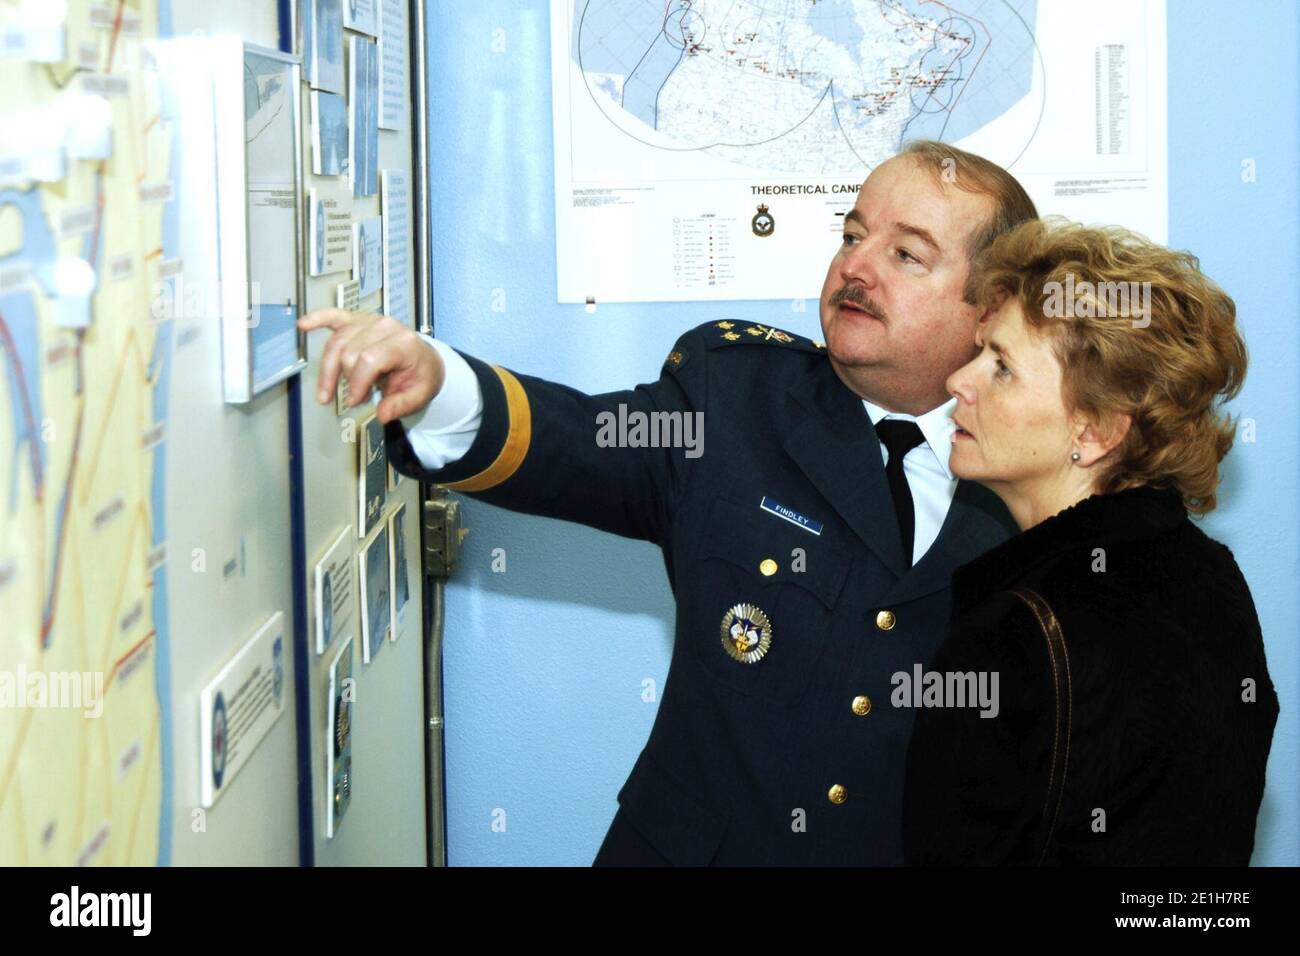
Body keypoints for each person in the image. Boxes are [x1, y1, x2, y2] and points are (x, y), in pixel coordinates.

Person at [300, 140, 1037, 865]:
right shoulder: (737, 401)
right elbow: (581, 441)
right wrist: (441, 382)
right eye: (851, 235)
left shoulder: (1037, 469)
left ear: (990, 308)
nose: (856, 266)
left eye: (906, 254)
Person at [902, 218, 1279, 865]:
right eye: (979, 351)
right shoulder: (1214, 576)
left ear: (1098, 429)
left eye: (1001, 367)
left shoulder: (1012, 632)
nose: (959, 383)